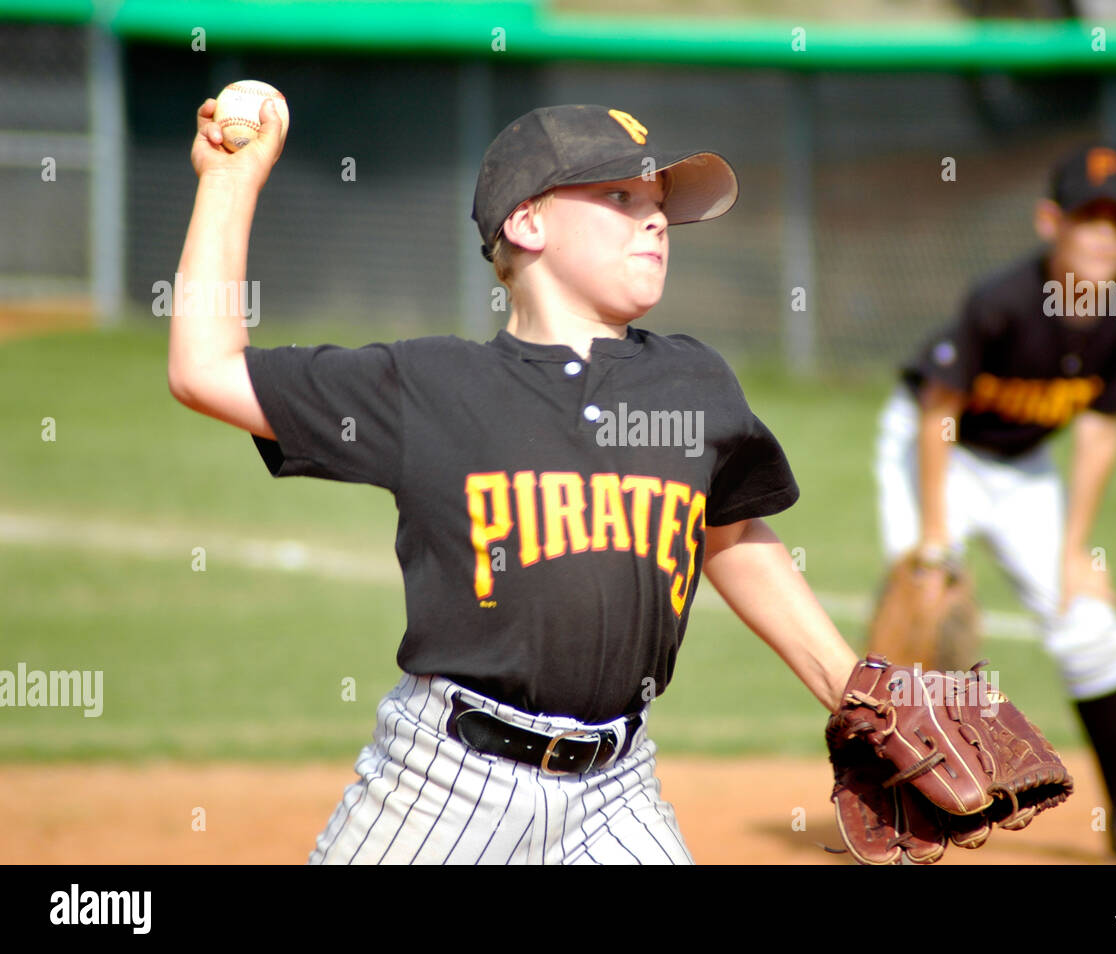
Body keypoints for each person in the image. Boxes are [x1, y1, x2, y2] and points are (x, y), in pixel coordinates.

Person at [168, 100, 859, 864]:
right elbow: (206, 371)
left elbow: (726, 534)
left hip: (617, 789)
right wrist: (230, 182)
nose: (656, 221)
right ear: (528, 224)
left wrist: (853, 693)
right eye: (621, 198)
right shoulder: (429, 385)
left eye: (660, 206)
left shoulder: (692, 382)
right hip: (445, 783)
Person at [874, 143, 1116, 864]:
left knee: (1087, 621)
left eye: (1114, 222)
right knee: (920, 631)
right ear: (1048, 221)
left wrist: (1073, 553)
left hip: (1024, 468)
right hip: (933, 446)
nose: (1099, 235)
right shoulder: (1001, 300)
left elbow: (1098, 430)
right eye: (1084, 218)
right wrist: (935, 539)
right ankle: (895, 818)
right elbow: (939, 409)